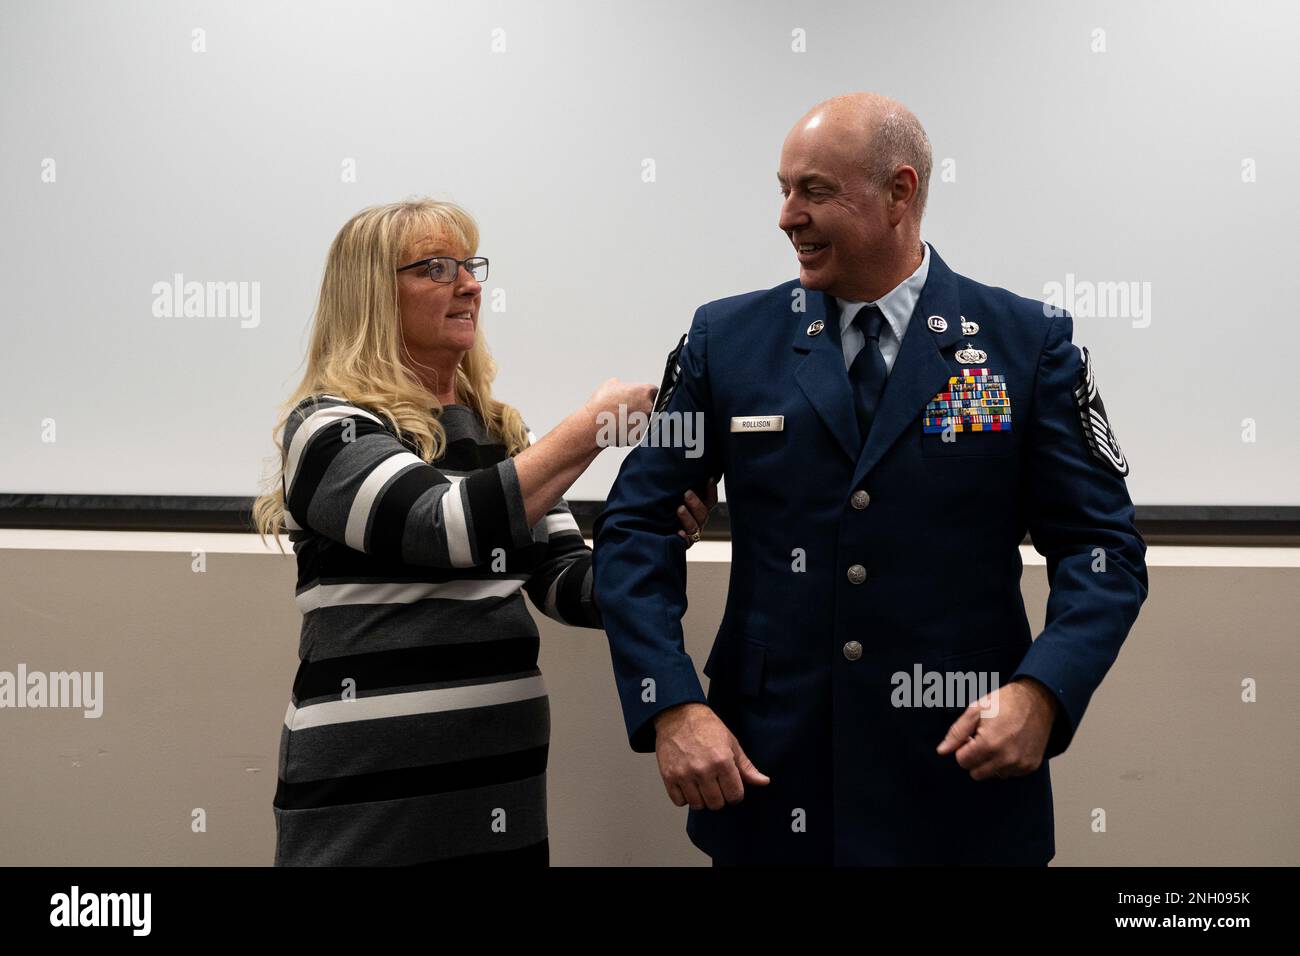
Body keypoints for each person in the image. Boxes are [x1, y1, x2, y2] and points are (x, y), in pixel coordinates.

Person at [592, 93, 1149, 865]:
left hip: (958, 776)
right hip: (770, 775)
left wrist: (1042, 693)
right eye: (783, 189)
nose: (787, 216)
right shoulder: (729, 339)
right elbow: (633, 530)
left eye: (814, 191)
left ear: (900, 192)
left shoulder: (1025, 344)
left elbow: (1101, 551)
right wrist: (672, 705)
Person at [252, 198, 714, 866]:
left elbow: (570, 587)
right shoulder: (329, 427)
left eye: (470, 266)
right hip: (370, 792)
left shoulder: (497, 433)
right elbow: (445, 526)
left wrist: (661, 532)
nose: (469, 284)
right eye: (436, 269)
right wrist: (590, 430)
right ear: (373, 295)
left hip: (498, 784)